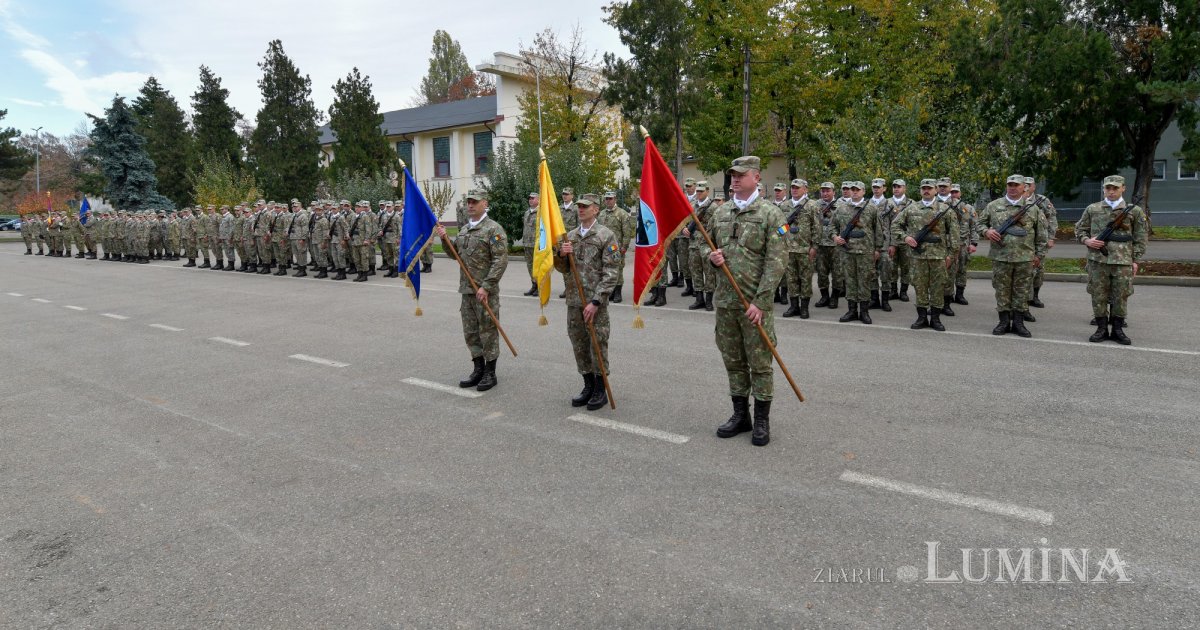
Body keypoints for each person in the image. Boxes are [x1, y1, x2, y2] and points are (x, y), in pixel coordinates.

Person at [708, 156, 786, 447]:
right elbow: (707, 243)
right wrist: (711, 257)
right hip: (726, 302)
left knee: (760, 364)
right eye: (732, 175)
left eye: (741, 175)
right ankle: (741, 415)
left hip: (754, 306)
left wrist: (761, 302)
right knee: (734, 361)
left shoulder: (770, 214)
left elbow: (777, 262)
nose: (735, 179)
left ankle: (762, 420)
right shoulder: (721, 212)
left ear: (756, 177)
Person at [434, 190, 508, 391]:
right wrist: (444, 239)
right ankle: (478, 368)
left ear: (485, 203)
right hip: (467, 290)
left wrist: (486, 286)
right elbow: (454, 254)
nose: (470, 205)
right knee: (471, 332)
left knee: (488, 331)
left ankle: (490, 372)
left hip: (485, 291)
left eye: (475, 202)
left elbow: (500, 261)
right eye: (468, 202)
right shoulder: (465, 229)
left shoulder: (493, 229)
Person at [554, 193, 621, 410]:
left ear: (596, 210)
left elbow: (612, 272)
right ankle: (588, 385)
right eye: (579, 206)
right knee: (579, 344)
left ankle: (600, 388)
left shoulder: (605, 235)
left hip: (594, 302)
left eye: (585, 206)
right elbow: (562, 269)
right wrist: (561, 255)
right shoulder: (569, 236)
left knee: (597, 344)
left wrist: (596, 301)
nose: (581, 209)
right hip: (574, 299)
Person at [1076, 175, 1147, 345]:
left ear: (1123, 188)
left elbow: (1140, 237)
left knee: (1121, 296)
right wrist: (1087, 241)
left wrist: (1135, 260)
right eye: (1108, 188)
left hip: (1123, 262)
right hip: (1097, 260)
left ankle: (1117, 330)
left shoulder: (1134, 211)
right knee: (1098, 295)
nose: (1111, 191)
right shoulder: (1093, 209)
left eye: (1115, 188)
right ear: (1104, 189)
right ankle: (1101, 329)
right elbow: (1080, 230)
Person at [976, 174, 1048, 337]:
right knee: (1002, 290)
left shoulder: (1033, 208)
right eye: (1010, 184)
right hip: (1001, 257)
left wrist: (1039, 255)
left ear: (1024, 187)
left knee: (1021, 291)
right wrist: (987, 231)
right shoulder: (994, 206)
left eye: (1016, 185)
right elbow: (979, 224)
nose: (1012, 187)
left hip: (1025, 258)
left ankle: (1018, 323)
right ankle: (1003, 322)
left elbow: (1041, 235)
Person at [892, 179, 958, 331]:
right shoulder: (911, 208)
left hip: (938, 257)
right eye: (924, 188)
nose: (926, 191)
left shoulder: (945, 210)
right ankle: (921, 318)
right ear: (920, 190)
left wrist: (951, 255)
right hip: (918, 257)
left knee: (937, 288)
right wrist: (906, 238)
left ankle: (935, 319)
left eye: (929, 188)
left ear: (935, 190)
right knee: (920, 288)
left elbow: (954, 236)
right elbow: (895, 225)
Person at [832, 181, 883, 324]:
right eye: (852, 189)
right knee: (850, 281)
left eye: (857, 190)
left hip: (865, 252)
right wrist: (835, 237)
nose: (854, 192)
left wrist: (878, 249)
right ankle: (852, 310)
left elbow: (879, 230)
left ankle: (864, 312)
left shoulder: (872, 208)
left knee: (864, 281)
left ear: (863, 191)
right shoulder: (841, 208)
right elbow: (832, 226)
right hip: (847, 252)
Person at [780, 179, 820, 318]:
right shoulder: (785, 205)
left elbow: (817, 227)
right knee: (791, 279)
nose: (794, 190)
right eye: (792, 187)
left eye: (797, 187)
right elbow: (781, 227)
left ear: (805, 189)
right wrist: (782, 238)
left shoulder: (812, 205)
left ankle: (804, 307)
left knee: (805, 279)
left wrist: (814, 247)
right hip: (789, 249)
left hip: (805, 250)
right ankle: (794, 306)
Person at [682, 182, 718, 311]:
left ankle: (708, 300)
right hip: (693, 244)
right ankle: (699, 299)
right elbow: (684, 221)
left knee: (709, 273)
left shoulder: (713, 207)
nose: (698, 194)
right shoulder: (692, 206)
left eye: (701, 191)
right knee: (695, 271)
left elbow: (717, 226)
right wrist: (684, 229)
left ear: (707, 191)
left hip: (707, 244)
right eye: (697, 191)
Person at [1024, 175, 1057, 309]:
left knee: (1039, 269)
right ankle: (1024, 298)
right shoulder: (1017, 200)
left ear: (1034, 186)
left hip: (1040, 240)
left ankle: (1035, 296)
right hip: (1024, 241)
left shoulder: (1042, 200)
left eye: (1029, 184)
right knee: (1025, 270)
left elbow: (1052, 218)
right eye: (1024, 184)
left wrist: (1051, 237)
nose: (1026, 187)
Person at [597, 191, 634, 304]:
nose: (608, 201)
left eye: (610, 199)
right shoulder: (601, 214)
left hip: (615, 247)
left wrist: (624, 246)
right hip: (603, 247)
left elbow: (627, 232)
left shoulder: (622, 213)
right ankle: (610, 292)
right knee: (605, 269)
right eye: (606, 199)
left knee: (618, 269)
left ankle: (618, 293)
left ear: (615, 199)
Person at [813, 182, 843, 309]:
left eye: (828, 191)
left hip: (836, 245)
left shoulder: (841, 206)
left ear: (834, 192)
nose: (825, 193)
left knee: (837, 273)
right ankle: (824, 296)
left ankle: (834, 297)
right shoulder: (815, 205)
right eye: (823, 191)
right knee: (821, 272)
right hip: (820, 244)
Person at [949, 184, 977, 305]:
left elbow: (974, 226)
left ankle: (959, 294)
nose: (953, 194)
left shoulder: (968, 208)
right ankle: (948, 295)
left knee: (962, 269)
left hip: (963, 244)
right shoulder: (945, 207)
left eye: (956, 192)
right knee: (948, 270)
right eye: (952, 192)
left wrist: (974, 243)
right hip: (948, 245)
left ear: (960, 193)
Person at [521, 192, 540, 296]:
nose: (530, 200)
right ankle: (534, 285)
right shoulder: (527, 212)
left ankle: (540, 286)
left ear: (538, 200)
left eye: (533, 198)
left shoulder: (541, 212)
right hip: (527, 244)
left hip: (536, 245)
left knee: (538, 267)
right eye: (529, 198)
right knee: (530, 266)